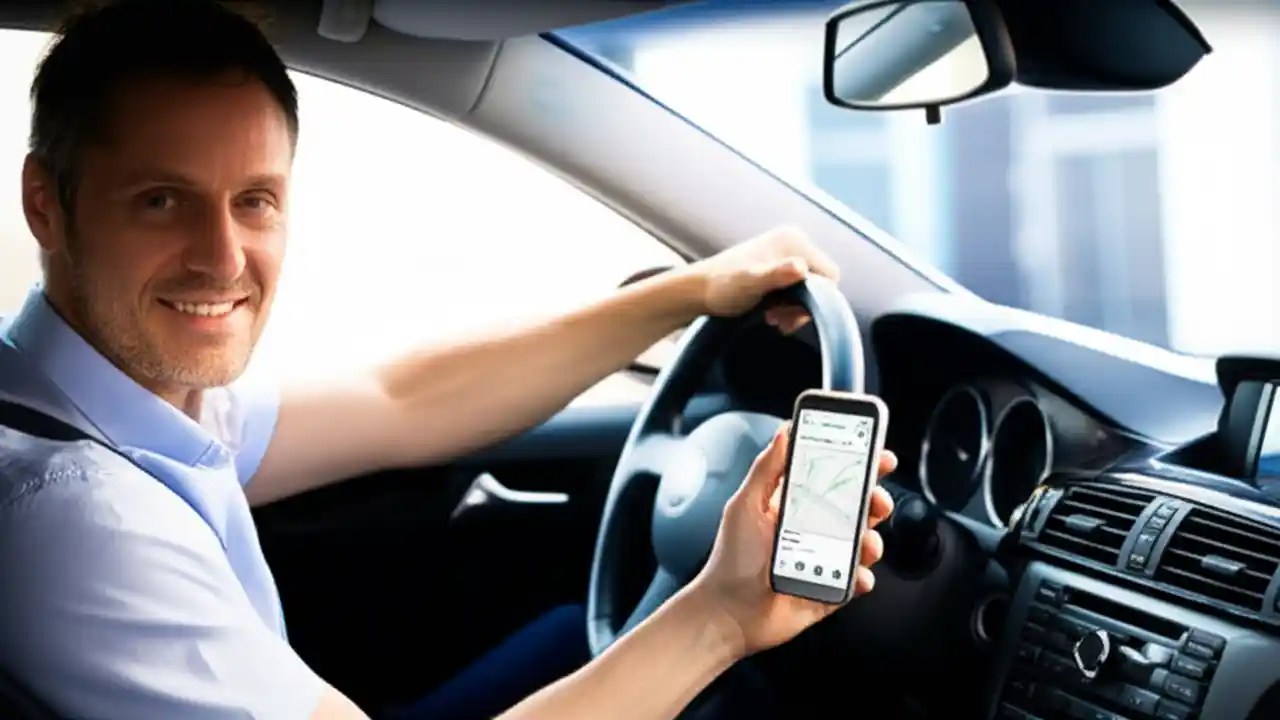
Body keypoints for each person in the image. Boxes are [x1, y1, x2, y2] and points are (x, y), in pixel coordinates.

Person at [0, 1, 897, 719]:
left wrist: (688, 292)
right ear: (47, 203)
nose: (223, 258)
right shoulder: (79, 521)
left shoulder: (95, 396)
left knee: (568, 638)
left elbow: (402, 401)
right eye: (162, 201)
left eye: (255, 200)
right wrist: (724, 617)